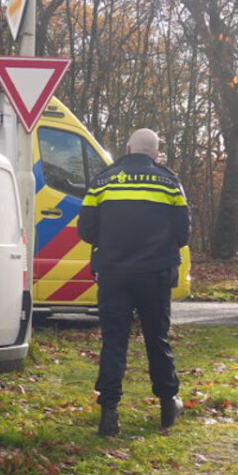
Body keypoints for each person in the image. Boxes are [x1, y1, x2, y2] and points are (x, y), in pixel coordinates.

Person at [78, 127, 190, 436]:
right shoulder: (170, 181)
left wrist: (113, 242)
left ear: (128, 148)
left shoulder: (103, 180)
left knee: (114, 342)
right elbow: (184, 233)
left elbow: (85, 229)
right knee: (158, 338)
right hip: (156, 274)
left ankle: (109, 414)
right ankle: (168, 405)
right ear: (156, 153)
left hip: (114, 273)